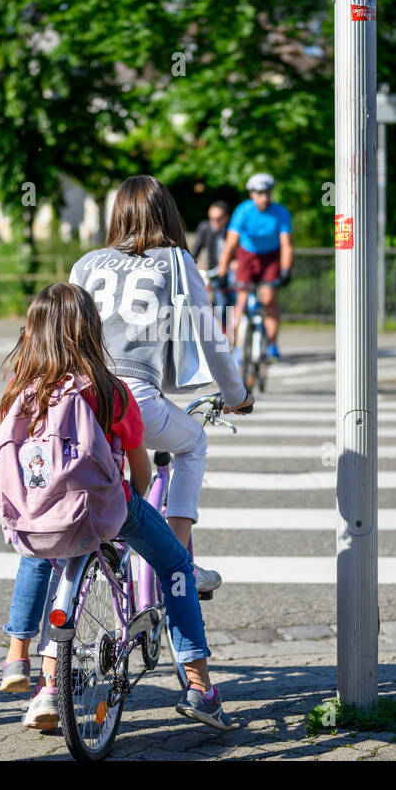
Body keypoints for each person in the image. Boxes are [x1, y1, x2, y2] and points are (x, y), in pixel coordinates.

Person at [0, 283, 235, 731]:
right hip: (105, 509)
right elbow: (141, 473)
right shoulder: (109, 391)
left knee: (40, 557)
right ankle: (201, 688)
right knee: (176, 564)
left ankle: (20, 659)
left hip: (42, 513)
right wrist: (135, 503)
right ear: (91, 330)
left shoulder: (19, 392)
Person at [70, 175, 253, 596]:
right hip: (134, 397)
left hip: (82, 395)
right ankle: (177, 559)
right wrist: (236, 396)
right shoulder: (174, 260)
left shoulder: (87, 262)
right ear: (167, 214)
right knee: (192, 444)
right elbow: (210, 334)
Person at [216, 172, 293, 361]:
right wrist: (223, 270)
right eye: (259, 193)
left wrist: (285, 270)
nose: (264, 197)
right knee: (241, 300)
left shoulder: (280, 213)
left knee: (269, 299)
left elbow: (286, 245)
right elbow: (230, 243)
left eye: (267, 192)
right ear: (251, 194)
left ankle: (272, 344)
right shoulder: (243, 211)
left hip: (271, 257)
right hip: (247, 256)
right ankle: (240, 348)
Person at [190, 200, 233, 331]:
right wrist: (190, 266)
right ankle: (224, 337)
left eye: (218, 219)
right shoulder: (205, 228)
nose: (213, 222)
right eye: (211, 219)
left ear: (226, 218)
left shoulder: (233, 229)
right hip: (216, 272)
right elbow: (195, 251)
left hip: (234, 272)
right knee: (220, 305)